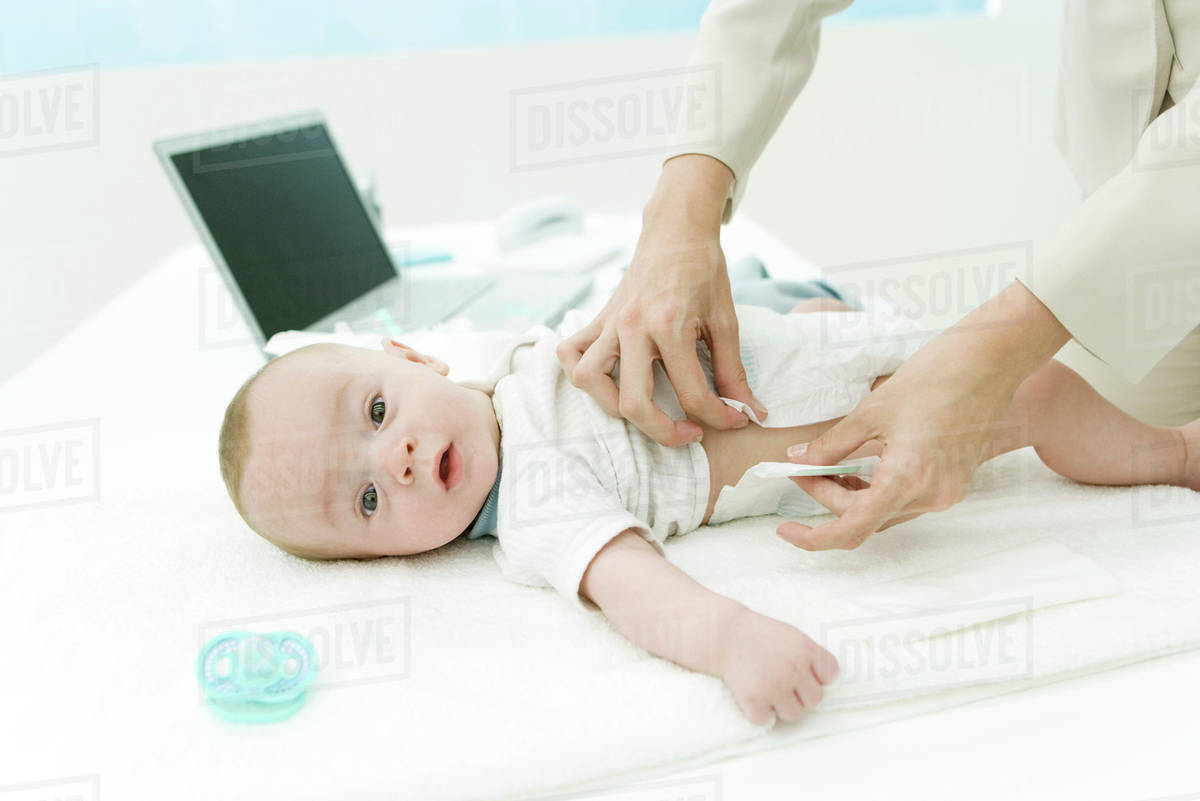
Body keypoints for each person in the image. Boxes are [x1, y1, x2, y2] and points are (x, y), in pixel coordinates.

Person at [216, 302, 1198, 724]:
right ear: (384, 558)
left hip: (806, 351)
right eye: (368, 500)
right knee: (1036, 394)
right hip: (850, 421)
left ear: (414, 358)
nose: (392, 458)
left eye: (376, 412)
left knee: (984, 344)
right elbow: (636, 587)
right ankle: (1177, 455)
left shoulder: (514, 368)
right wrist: (731, 639)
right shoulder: (537, 508)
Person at [557, 0, 1200, 551]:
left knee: (1054, 408)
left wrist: (989, 356)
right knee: (1116, 448)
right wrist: (680, 211)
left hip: (1157, 205)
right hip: (1132, 216)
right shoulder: (526, 388)